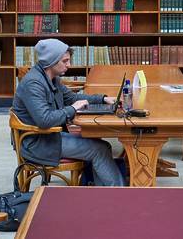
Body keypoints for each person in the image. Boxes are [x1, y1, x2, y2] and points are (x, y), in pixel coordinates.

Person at [11, 38, 124, 187]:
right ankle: (118, 194)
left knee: (104, 146)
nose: (69, 65)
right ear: (51, 61)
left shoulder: (51, 78)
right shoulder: (34, 84)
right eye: (65, 61)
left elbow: (73, 98)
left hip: (50, 137)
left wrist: (103, 99)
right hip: (38, 143)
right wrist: (72, 109)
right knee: (99, 149)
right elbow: (44, 120)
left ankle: (103, 193)